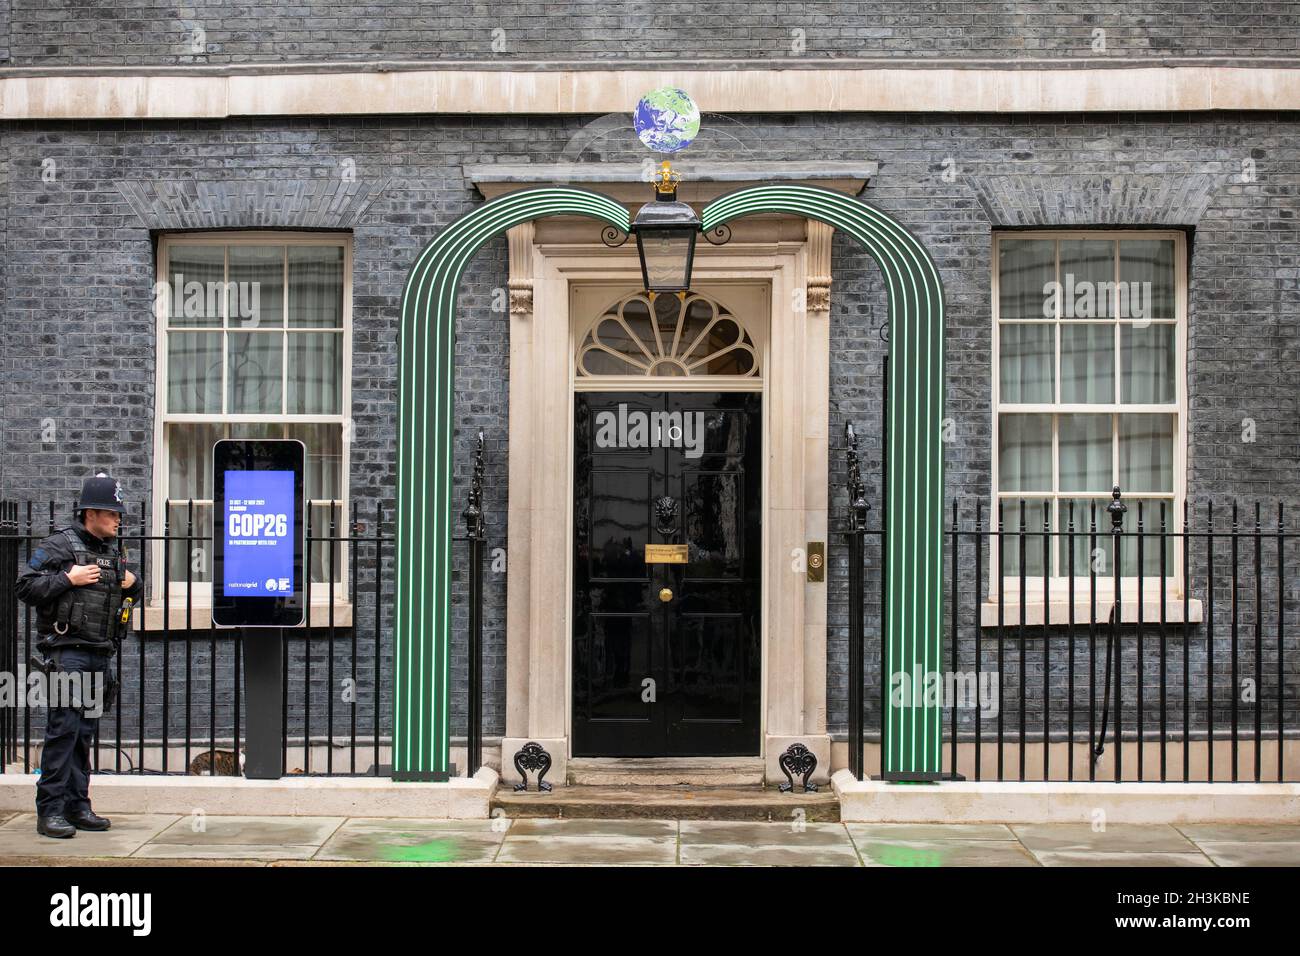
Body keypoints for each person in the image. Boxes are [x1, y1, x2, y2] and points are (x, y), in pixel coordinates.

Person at [15, 473, 143, 838]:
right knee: (63, 732)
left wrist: (136, 585)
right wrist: (67, 580)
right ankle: (50, 811)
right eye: (112, 513)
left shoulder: (111, 551)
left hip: (100, 653)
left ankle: (78, 806)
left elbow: (127, 598)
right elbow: (25, 586)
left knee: (84, 734)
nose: (119, 519)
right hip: (67, 653)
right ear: (91, 513)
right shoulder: (60, 546)